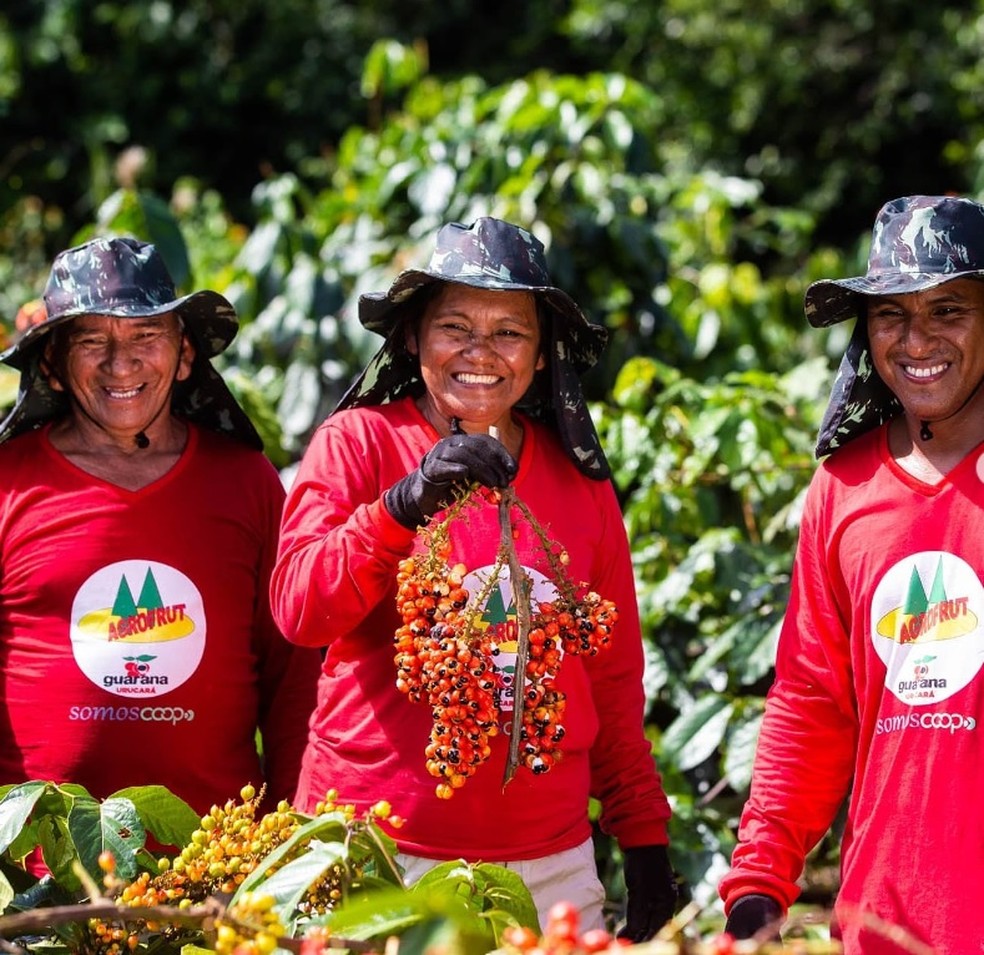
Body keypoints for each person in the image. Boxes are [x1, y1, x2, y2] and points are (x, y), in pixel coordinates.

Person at [271, 217, 676, 938]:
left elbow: (610, 680)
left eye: (509, 333)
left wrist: (643, 835)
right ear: (412, 340)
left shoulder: (579, 483)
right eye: (455, 327)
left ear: (543, 353)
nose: (481, 353)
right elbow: (300, 609)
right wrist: (400, 506)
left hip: (551, 866)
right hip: (378, 852)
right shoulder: (359, 443)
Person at [719, 194, 984, 953]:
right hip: (883, 923)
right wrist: (760, 880)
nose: (917, 339)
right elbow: (810, 699)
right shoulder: (843, 488)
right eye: (890, 314)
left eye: (949, 310)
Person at [0, 235, 319, 819]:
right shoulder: (8, 483)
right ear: (53, 363)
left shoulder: (245, 481)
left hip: (214, 865)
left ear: (185, 355)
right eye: (92, 340)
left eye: (145, 337)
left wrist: (286, 833)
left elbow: (294, 678)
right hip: (39, 874)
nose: (121, 363)